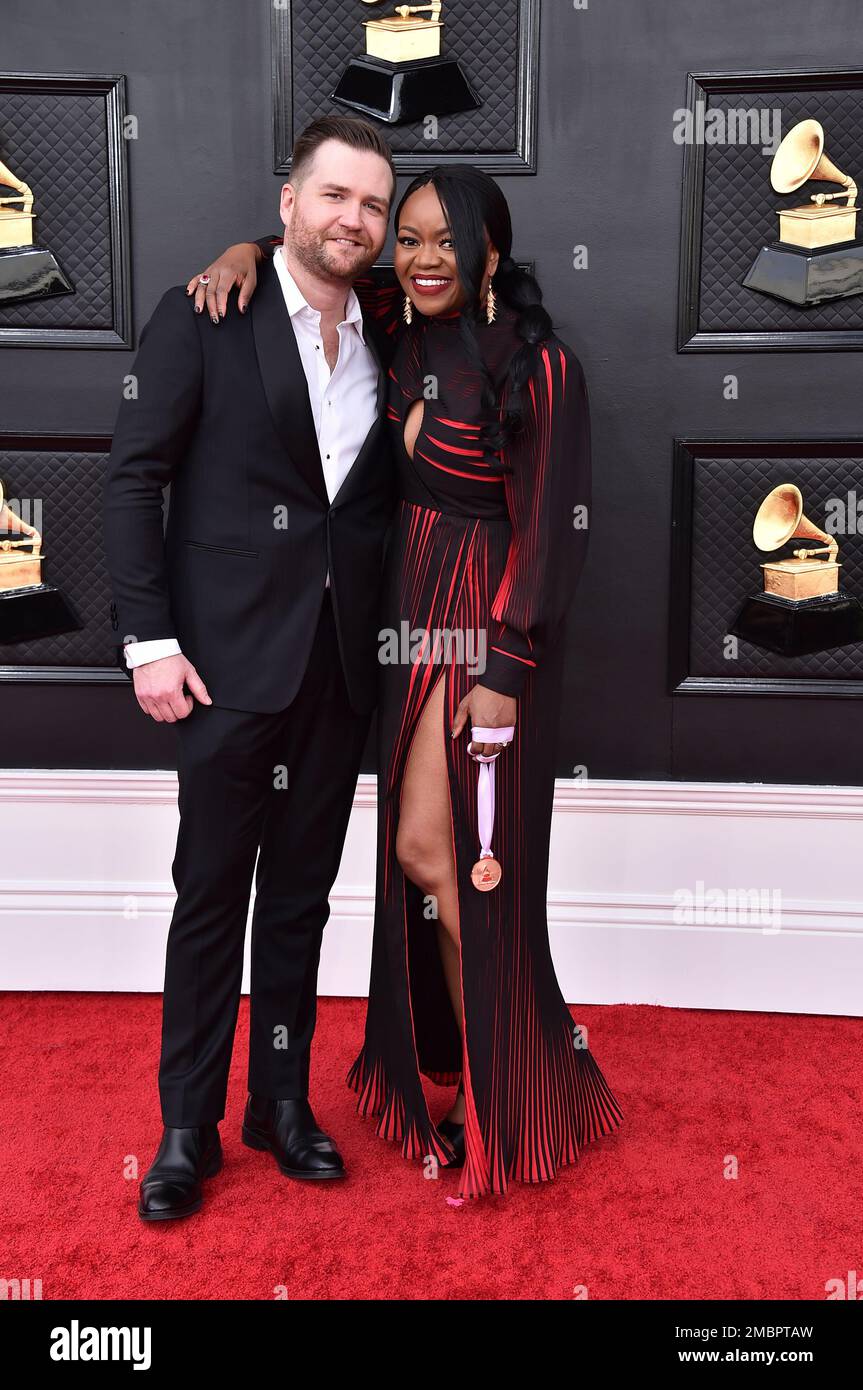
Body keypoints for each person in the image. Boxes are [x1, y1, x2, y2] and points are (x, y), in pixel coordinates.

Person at [191, 160, 624, 1202]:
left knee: (453, 854)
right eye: (409, 237)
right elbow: (312, 260)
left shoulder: (537, 365)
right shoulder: (397, 315)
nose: (420, 256)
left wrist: (506, 669)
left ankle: (499, 1097)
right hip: (403, 615)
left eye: (444, 240)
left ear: (487, 252)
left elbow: (552, 534)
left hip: (481, 630)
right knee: (421, 864)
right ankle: (458, 1069)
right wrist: (247, 247)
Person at [102, 115, 398, 1220]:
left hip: (335, 671)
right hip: (220, 666)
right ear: (288, 203)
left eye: (370, 204)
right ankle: (188, 1126)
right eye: (333, 197)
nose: (352, 221)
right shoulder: (206, 312)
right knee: (209, 896)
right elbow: (134, 478)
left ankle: (280, 1100)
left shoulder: (386, 328)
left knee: (301, 902)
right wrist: (150, 643)